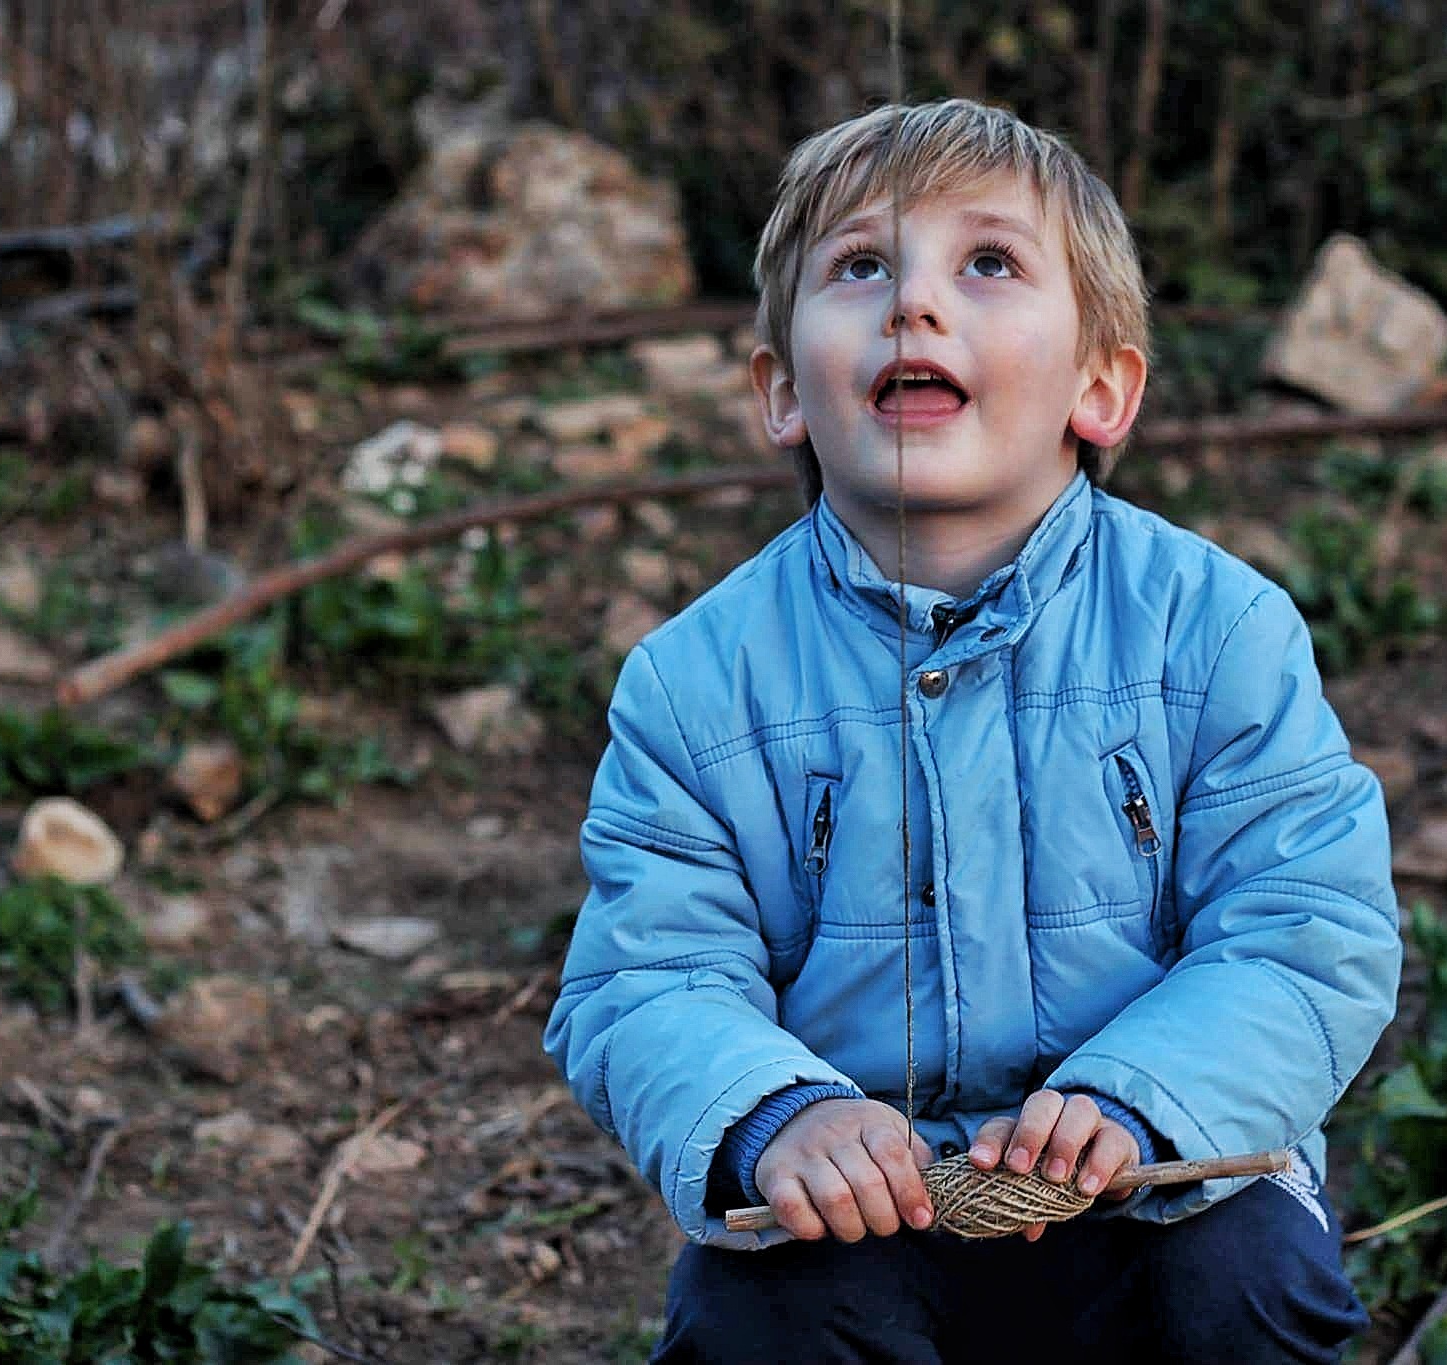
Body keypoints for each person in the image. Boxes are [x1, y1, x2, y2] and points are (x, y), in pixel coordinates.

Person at [544, 97, 1402, 1364]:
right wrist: (774, 1115)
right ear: (781, 393)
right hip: (855, 1213)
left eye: (986, 263)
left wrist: (1141, 1100)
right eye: (859, 267)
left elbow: (1303, 929)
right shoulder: (693, 682)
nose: (913, 304)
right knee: (756, 1322)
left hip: (1161, 1187)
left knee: (1246, 1286)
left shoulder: (1215, 630)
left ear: (1101, 388)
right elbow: (645, 976)